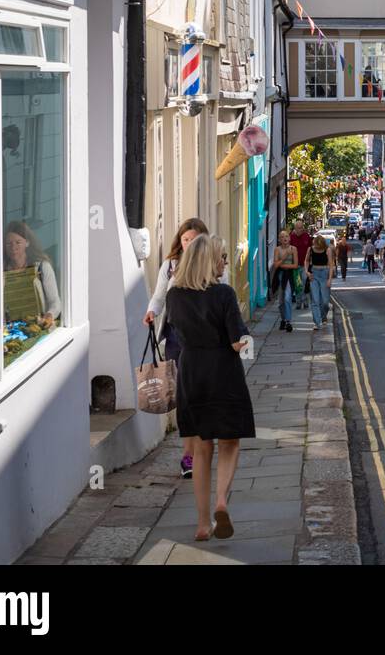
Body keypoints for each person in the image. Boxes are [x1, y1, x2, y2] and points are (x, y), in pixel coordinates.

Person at [166, 235, 254, 542]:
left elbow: (173, 332)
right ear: (209, 261)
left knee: (202, 448)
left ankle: (203, 524)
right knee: (229, 442)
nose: (226, 262)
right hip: (223, 373)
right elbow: (236, 342)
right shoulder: (224, 294)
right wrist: (245, 339)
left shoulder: (174, 295)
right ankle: (221, 501)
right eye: (223, 258)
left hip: (191, 373)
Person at [144, 217, 209, 478]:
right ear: (180, 242)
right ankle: (188, 456)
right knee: (184, 398)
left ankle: (202, 449)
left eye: (194, 240)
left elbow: (222, 297)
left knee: (200, 396)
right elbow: (159, 296)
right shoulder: (170, 266)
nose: (189, 244)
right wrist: (151, 311)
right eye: (185, 240)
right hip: (175, 338)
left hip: (204, 341)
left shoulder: (213, 266)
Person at [4, 220, 61, 322]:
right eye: (9, 244)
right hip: (12, 329)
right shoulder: (1, 271)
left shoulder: (42, 267)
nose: (13, 248)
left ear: (27, 243)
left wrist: (49, 317)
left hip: (39, 326)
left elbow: (55, 302)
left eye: (18, 242)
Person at [272, 230, 299, 332]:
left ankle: (288, 321)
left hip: (289, 276)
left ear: (290, 238)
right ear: (279, 239)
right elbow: (275, 265)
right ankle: (283, 319)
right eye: (282, 237)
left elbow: (295, 265)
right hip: (280, 276)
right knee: (280, 302)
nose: (285, 238)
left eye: (287, 236)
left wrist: (282, 264)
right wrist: (284, 256)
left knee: (288, 298)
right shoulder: (277, 250)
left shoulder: (294, 249)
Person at [305, 235, 332, 331]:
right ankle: (317, 322)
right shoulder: (310, 249)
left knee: (325, 302)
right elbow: (307, 261)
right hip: (314, 275)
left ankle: (323, 316)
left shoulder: (327, 250)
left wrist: (329, 279)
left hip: (324, 274)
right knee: (315, 300)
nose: (317, 248)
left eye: (319, 247)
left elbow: (330, 265)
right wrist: (307, 272)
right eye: (316, 246)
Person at [289, 220, 313, 310]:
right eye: (298, 228)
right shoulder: (291, 237)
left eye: (301, 228)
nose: (300, 230)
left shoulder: (306, 236)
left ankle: (301, 302)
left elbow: (310, 248)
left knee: (303, 283)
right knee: (297, 285)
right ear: (295, 228)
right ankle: (302, 301)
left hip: (305, 265)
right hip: (295, 265)